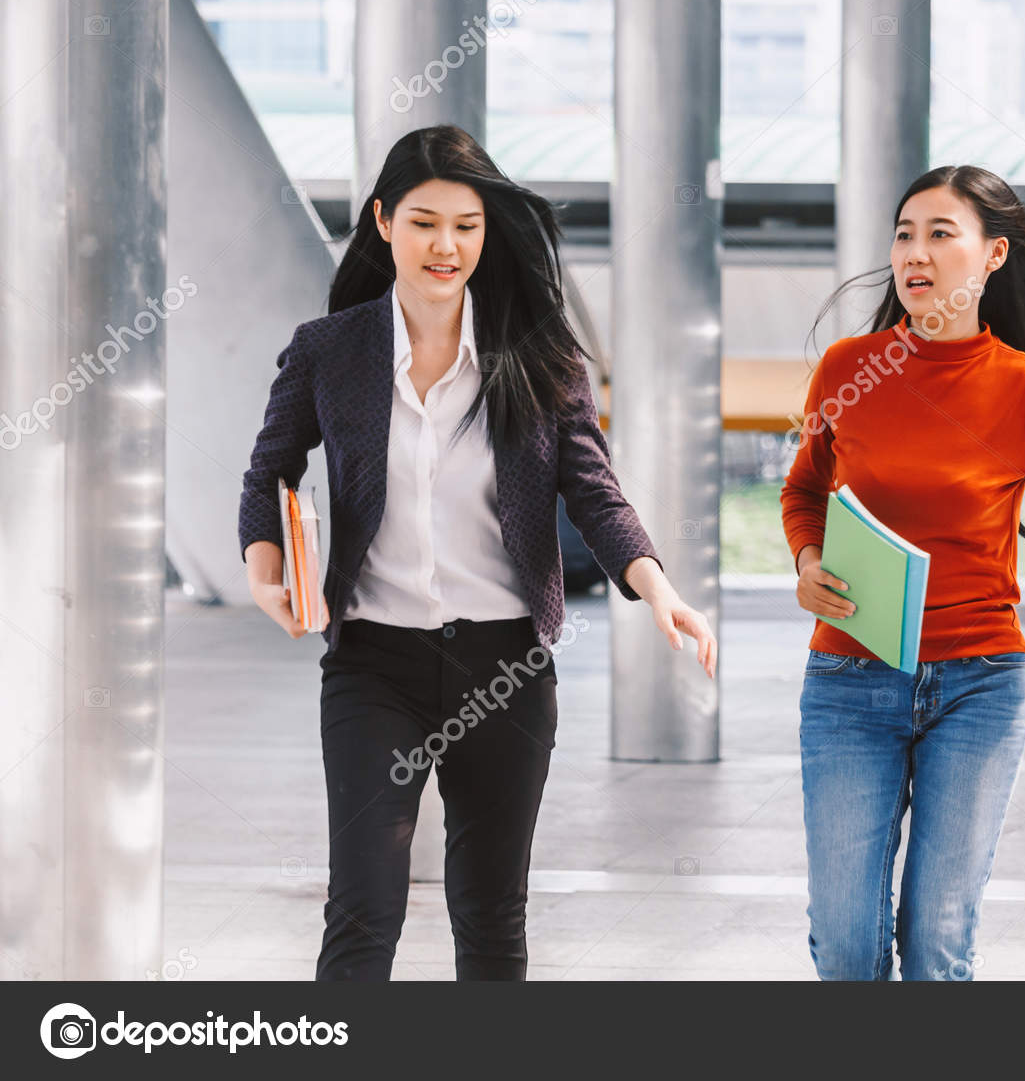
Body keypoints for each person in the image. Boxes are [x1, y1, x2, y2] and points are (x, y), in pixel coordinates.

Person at [237, 125, 716, 981]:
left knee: (492, 914)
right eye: (424, 223)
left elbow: (593, 489)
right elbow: (268, 468)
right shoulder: (330, 350)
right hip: (373, 664)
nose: (446, 246)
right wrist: (265, 571)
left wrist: (657, 586)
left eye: (467, 225)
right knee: (363, 908)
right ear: (383, 222)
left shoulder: (539, 354)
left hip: (505, 667)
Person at [780, 165, 1025, 981]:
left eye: (941, 234)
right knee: (845, 946)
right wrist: (807, 561)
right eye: (905, 235)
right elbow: (803, 490)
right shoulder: (846, 368)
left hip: (978, 685)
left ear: (993, 254)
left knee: (937, 944)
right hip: (848, 680)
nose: (916, 252)